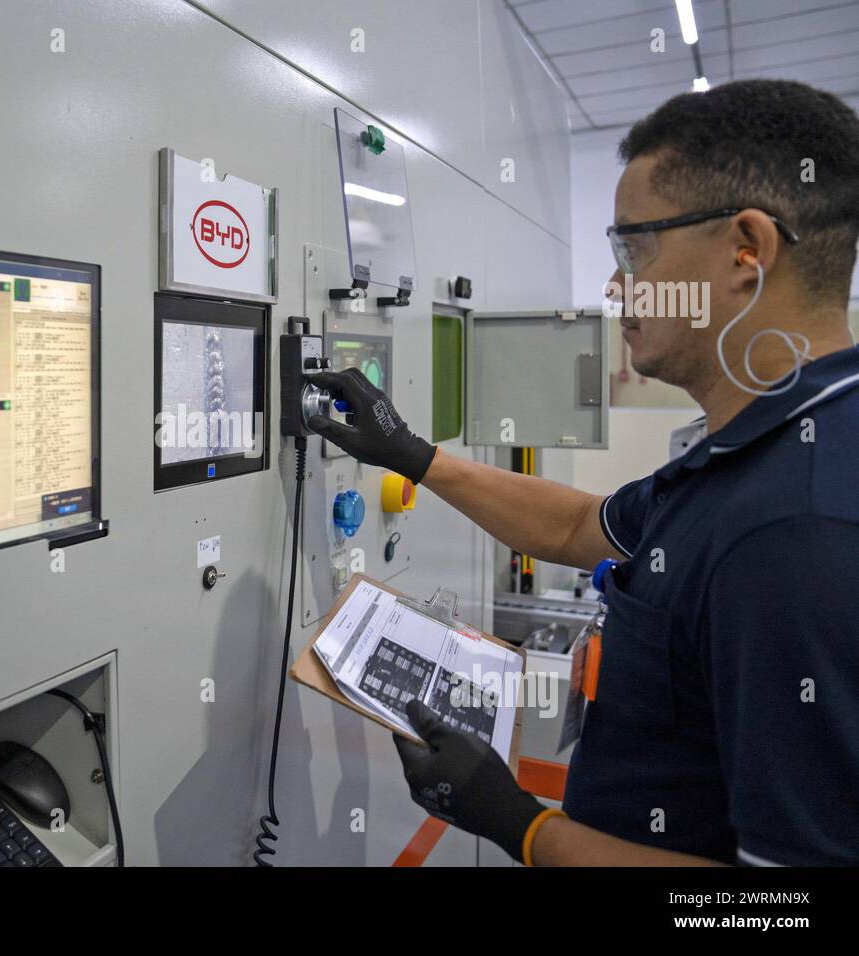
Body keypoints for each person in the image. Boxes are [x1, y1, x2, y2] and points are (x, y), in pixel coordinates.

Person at [310, 79, 859, 866]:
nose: (612, 285)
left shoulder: (799, 527)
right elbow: (576, 526)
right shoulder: (758, 452)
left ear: (748, 250)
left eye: (633, 249)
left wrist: (524, 828)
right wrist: (414, 456)